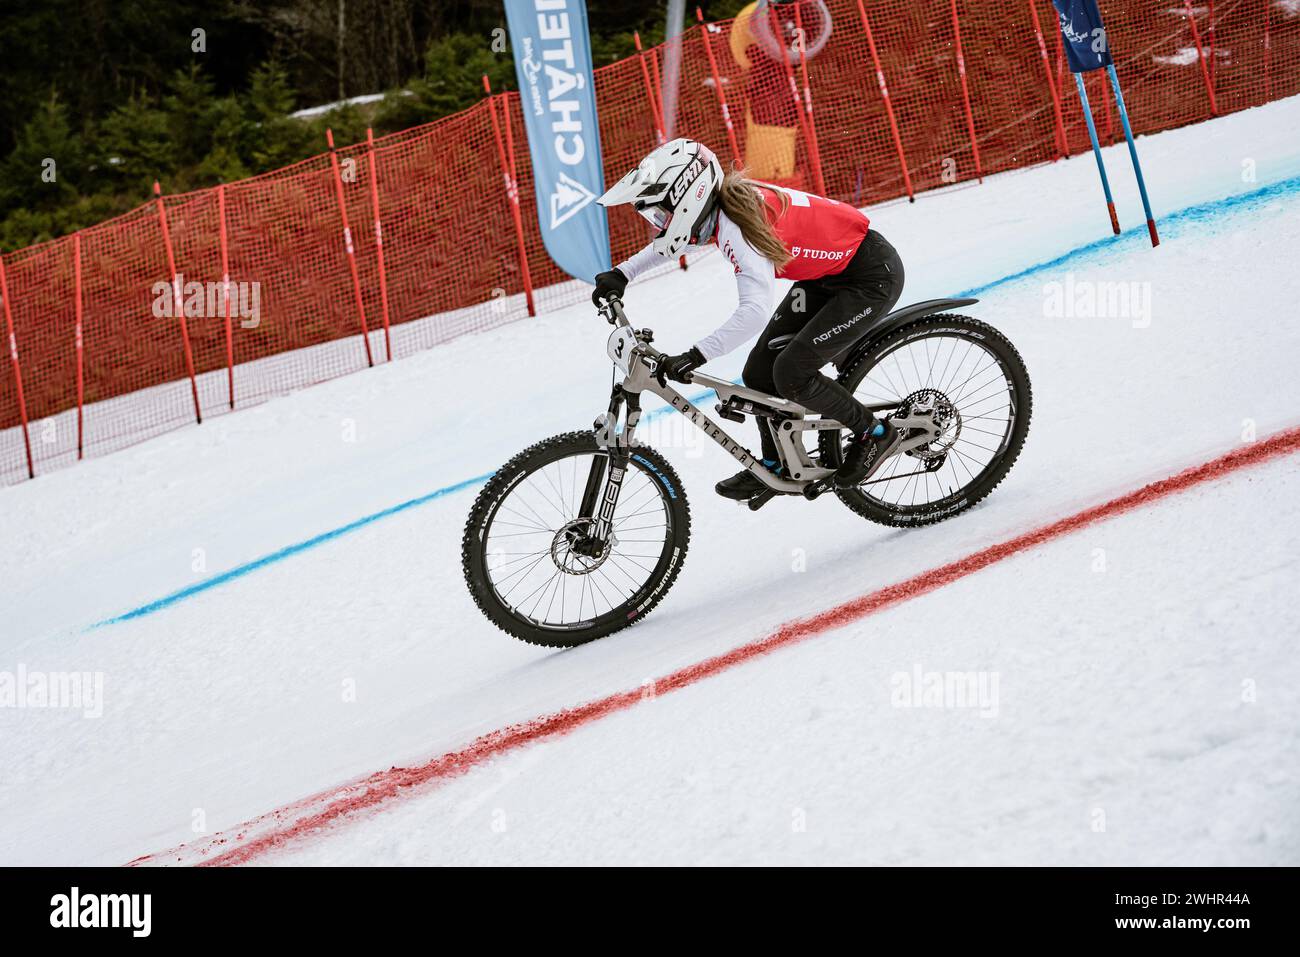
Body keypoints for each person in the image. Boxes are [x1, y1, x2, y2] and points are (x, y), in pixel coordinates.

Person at [593, 138, 905, 496]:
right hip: (829, 275)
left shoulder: (739, 232)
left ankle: (876, 433)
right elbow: (674, 243)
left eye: (661, 214)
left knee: (791, 372)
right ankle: (776, 465)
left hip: (869, 278)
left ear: (689, 197)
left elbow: (755, 312)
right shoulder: (725, 205)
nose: (659, 224)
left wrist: (696, 355)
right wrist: (623, 273)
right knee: (758, 373)